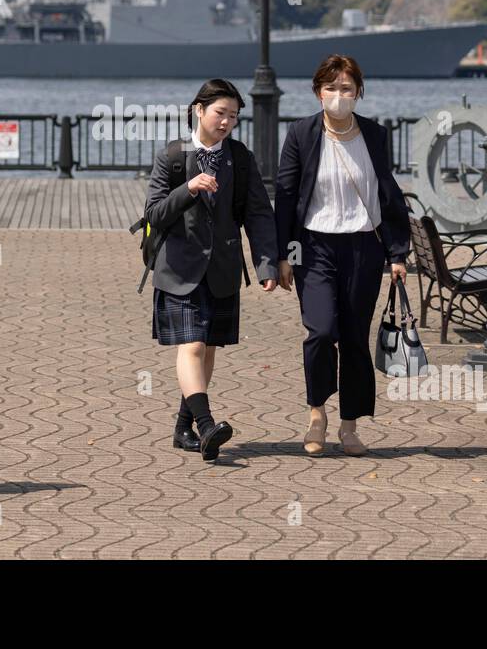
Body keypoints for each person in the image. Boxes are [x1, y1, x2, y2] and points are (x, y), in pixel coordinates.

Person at [275, 54, 411, 457]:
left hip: (363, 246)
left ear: (358, 92)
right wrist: (282, 255)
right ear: (318, 92)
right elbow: (284, 197)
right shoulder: (301, 134)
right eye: (331, 88)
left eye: (347, 88)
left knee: (354, 337)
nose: (338, 95)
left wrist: (397, 253)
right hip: (313, 247)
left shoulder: (374, 135)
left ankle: (350, 425)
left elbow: (389, 195)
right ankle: (316, 413)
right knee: (319, 332)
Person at [144, 78, 278, 463]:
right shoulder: (172, 155)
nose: (226, 122)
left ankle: (182, 428)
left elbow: (257, 214)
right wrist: (188, 188)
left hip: (221, 268)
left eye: (233, 116)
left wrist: (266, 263)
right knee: (194, 345)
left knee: (209, 351)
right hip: (178, 269)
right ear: (199, 109)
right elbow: (153, 213)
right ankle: (206, 426)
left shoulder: (239, 157)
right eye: (220, 113)